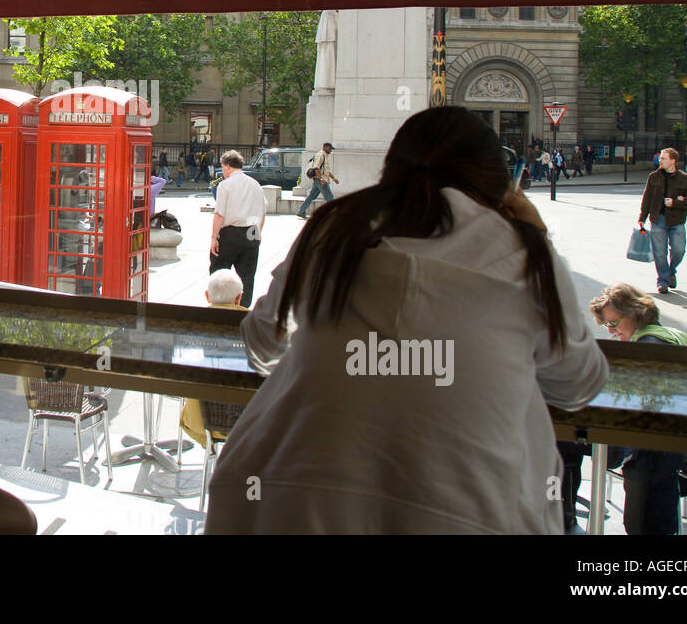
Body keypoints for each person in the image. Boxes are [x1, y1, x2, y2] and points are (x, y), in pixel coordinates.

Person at [205, 106, 608, 534]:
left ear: (392, 165)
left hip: (288, 501)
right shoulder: (526, 253)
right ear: (498, 181)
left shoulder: (332, 229)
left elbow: (262, 342)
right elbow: (577, 383)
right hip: (474, 512)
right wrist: (538, 235)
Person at [589, 284, 687, 534]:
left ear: (635, 313)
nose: (611, 332)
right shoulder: (671, 334)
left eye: (613, 323)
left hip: (662, 449)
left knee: (580, 442)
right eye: (606, 326)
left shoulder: (648, 346)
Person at [178, 270, 246, 449]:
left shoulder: (189, 325)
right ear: (239, 298)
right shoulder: (258, 325)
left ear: (207, 296)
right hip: (249, 423)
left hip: (202, 421)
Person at [209, 150, 267, 308]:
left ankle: (220, 307)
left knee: (219, 273)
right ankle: (243, 308)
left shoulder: (225, 185)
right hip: (252, 233)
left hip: (230, 233)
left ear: (227, 166)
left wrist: (214, 238)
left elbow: (219, 214)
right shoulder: (255, 184)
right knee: (247, 276)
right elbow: (262, 214)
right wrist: (258, 234)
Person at [637, 147, 687, 295]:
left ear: (673, 161)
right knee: (659, 253)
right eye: (660, 158)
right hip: (658, 219)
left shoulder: (685, 178)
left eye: (663, 158)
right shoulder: (654, 176)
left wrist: (676, 203)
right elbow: (647, 198)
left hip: (676, 220)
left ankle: (671, 271)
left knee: (679, 250)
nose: (660, 160)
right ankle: (663, 281)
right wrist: (642, 217)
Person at [297, 142, 339, 219]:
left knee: (311, 196)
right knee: (330, 198)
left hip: (318, 180)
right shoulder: (320, 155)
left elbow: (325, 171)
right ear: (325, 147)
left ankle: (301, 212)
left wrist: (333, 178)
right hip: (320, 180)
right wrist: (321, 180)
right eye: (330, 148)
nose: (330, 150)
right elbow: (316, 169)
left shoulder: (324, 156)